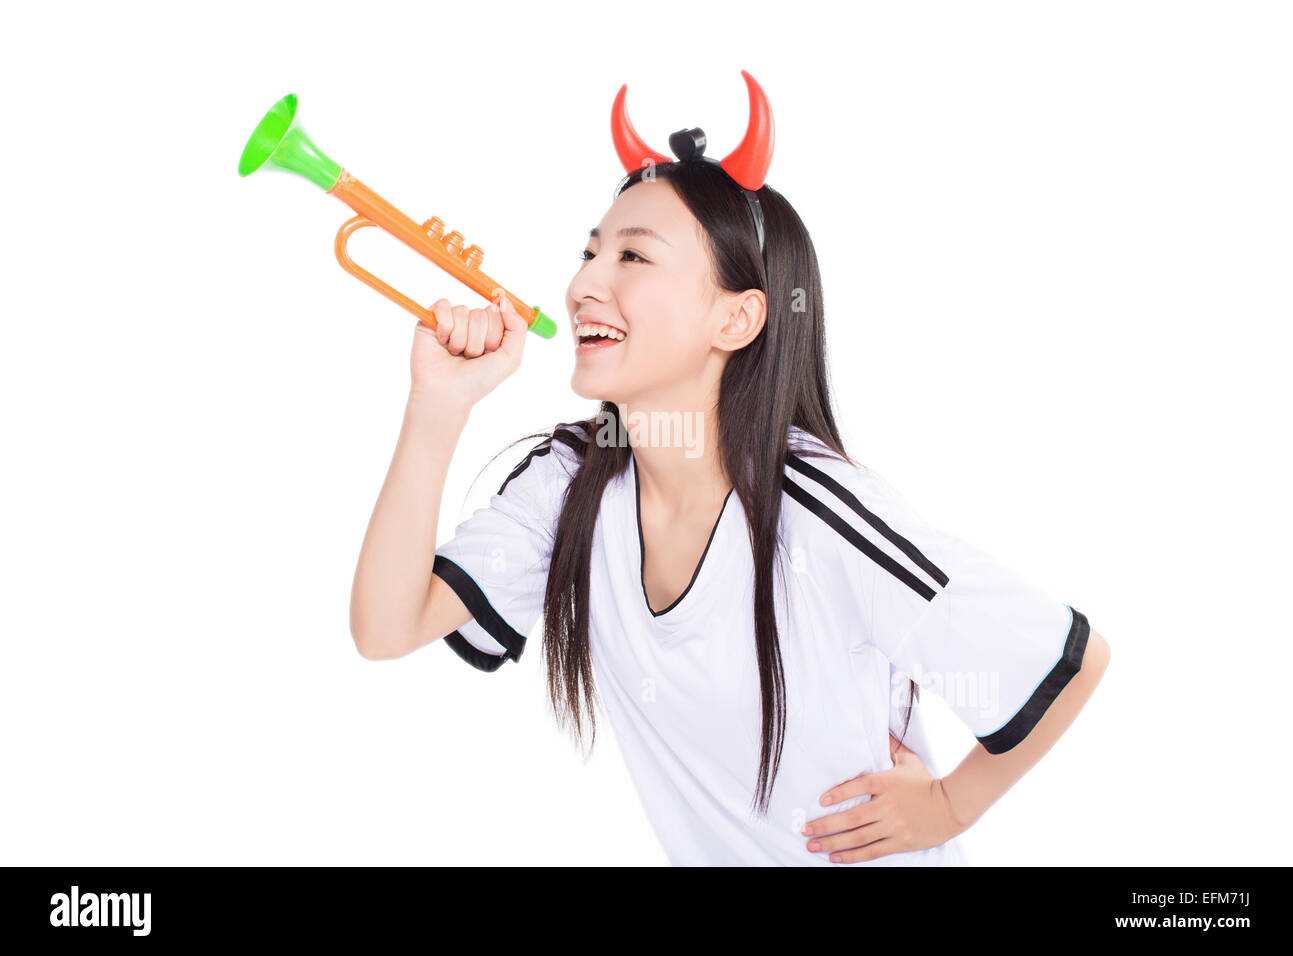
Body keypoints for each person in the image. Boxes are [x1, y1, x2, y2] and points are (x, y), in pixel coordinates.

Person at [350, 74, 1110, 866]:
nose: (582, 286)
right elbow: (386, 625)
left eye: (633, 255)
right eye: (589, 252)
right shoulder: (566, 480)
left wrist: (949, 807)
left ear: (737, 316)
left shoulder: (816, 515)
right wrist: (437, 407)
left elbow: (1069, 661)